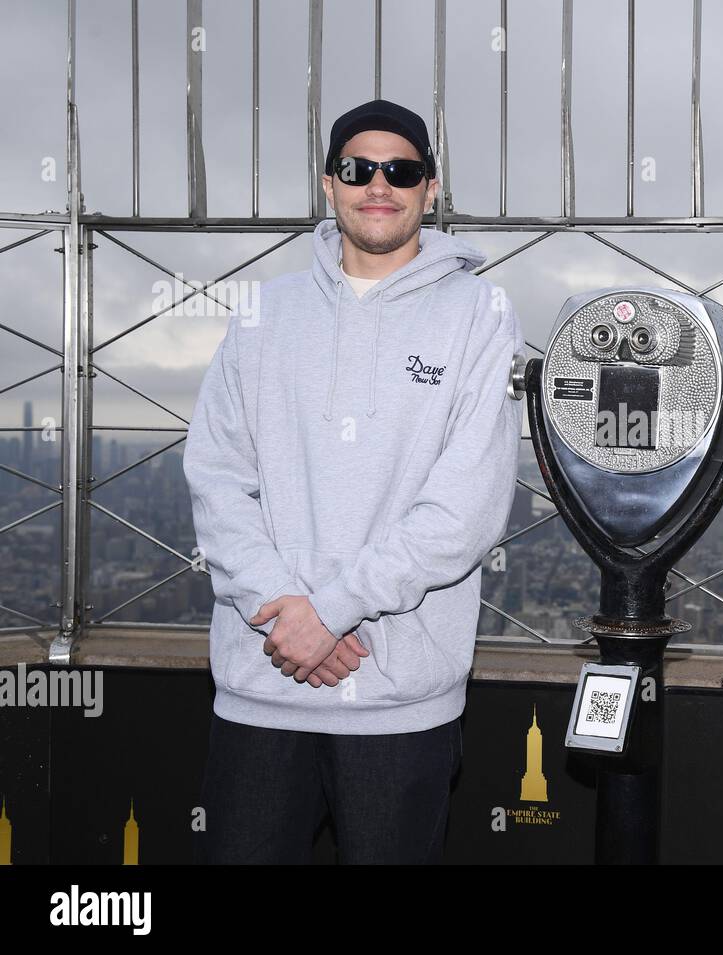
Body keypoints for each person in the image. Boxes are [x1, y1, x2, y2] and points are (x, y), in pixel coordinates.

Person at [184, 99, 524, 863]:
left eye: (400, 169)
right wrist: (288, 619)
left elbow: (465, 510)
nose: (379, 184)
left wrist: (329, 611)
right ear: (328, 184)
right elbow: (215, 477)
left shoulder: (481, 315)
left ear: (430, 189)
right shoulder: (261, 313)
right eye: (357, 168)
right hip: (261, 691)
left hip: (400, 703)